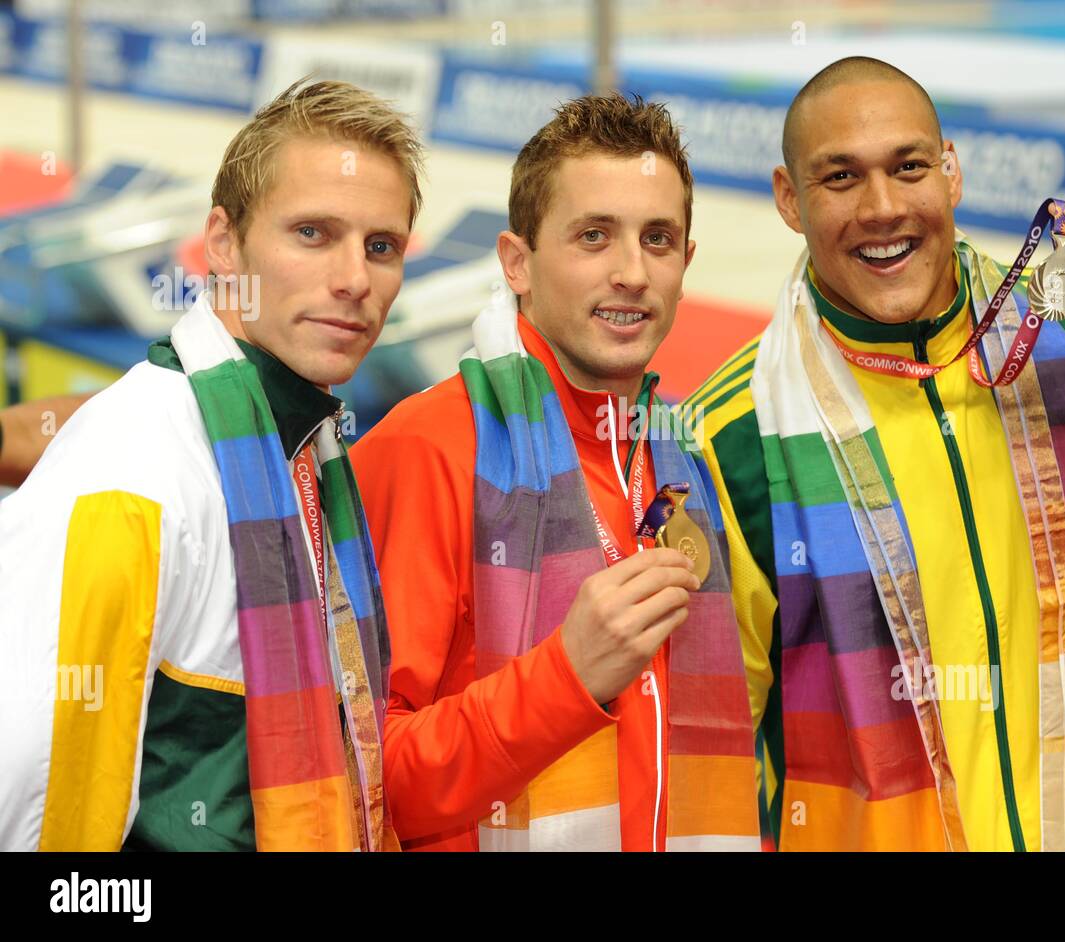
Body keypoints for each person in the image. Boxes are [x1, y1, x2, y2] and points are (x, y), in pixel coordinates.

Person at [681, 56, 1065, 852]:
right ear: (788, 199)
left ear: (952, 172)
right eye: (840, 178)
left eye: (909, 168)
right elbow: (707, 763)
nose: (882, 208)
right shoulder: (730, 436)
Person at [0, 77, 424, 851]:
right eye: (312, 233)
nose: (355, 280)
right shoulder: (134, 471)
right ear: (224, 244)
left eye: (381, 247)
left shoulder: (304, 445)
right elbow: (29, 793)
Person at [351, 94, 759, 851]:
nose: (632, 272)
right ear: (518, 263)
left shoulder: (679, 461)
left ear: (687, 264)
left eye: (658, 239)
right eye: (594, 237)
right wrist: (565, 678)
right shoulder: (429, 449)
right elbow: (361, 782)